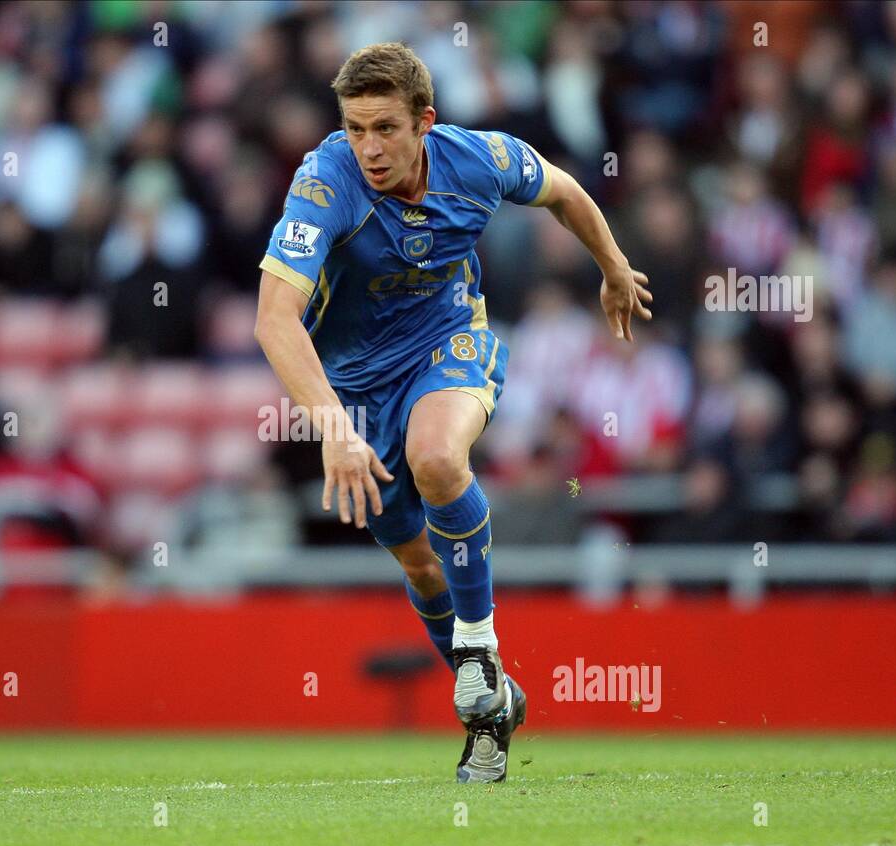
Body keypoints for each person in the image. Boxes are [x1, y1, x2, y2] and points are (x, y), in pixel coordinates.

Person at [254, 43, 652, 782]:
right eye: (354, 128)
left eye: (385, 129)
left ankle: (476, 648)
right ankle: (491, 708)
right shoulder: (322, 184)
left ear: (425, 123)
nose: (367, 148)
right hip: (358, 389)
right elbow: (275, 320)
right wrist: (336, 429)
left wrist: (612, 267)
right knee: (417, 561)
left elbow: (566, 191)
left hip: (450, 344)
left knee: (437, 457)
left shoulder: (481, 159)